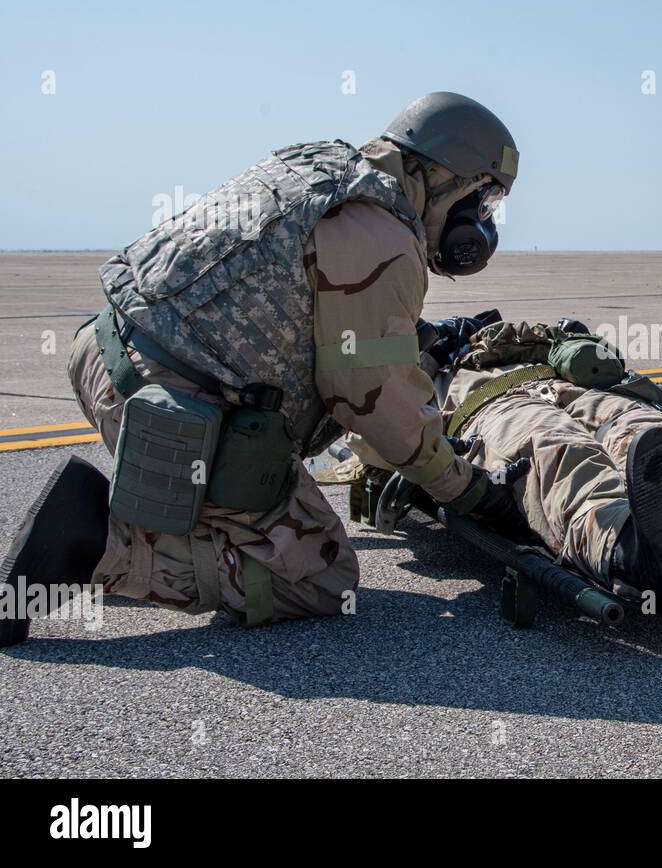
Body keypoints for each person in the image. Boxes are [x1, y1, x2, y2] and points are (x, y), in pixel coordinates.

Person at [2, 93, 522, 644]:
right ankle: (91, 544)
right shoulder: (383, 236)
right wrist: (466, 490)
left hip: (107, 353)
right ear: (444, 174)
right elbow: (372, 400)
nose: (479, 219)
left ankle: (169, 518)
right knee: (317, 577)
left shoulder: (320, 166)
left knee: (262, 501)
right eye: (482, 199)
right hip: (175, 409)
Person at [345, 317, 662, 620]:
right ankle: (632, 547)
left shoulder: (548, 342)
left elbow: (613, 370)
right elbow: (378, 427)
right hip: (489, 411)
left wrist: (573, 350)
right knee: (557, 451)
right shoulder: (433, 369)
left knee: (648, 433)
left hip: (579, 391)